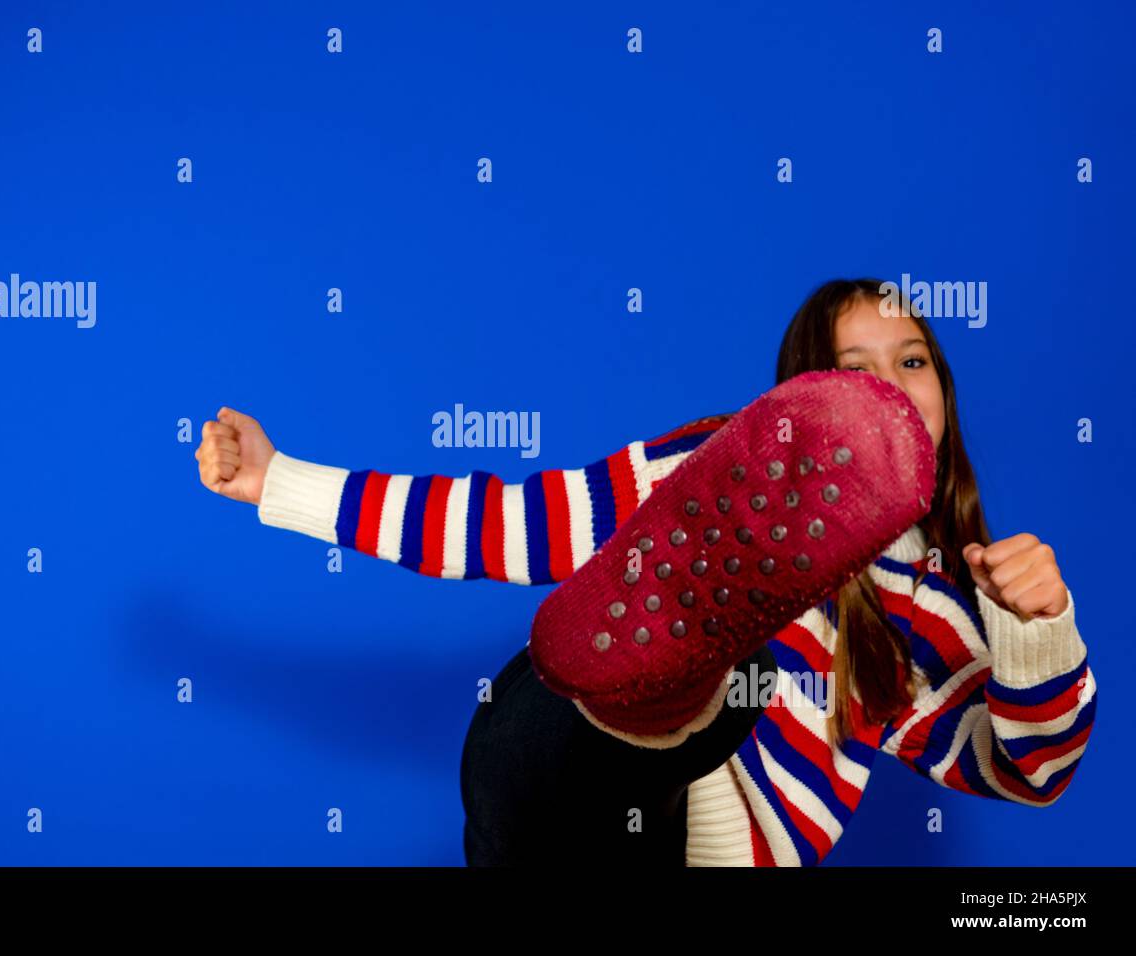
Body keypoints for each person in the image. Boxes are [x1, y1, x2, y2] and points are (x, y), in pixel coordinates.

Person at [195, 278, 1097, 866]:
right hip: (583, 803)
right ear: (799, 397)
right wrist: (281, 481)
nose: (890, 386)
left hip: (723, 850)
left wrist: (1039, 630)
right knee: (543, 711)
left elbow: (1025, 771)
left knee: (737, 683)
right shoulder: (719, 466)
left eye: (912, 363)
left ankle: (677, 689)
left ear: (945, 393)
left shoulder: (935, 607)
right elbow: (511, 523)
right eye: (850, 370)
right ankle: (651, 691)